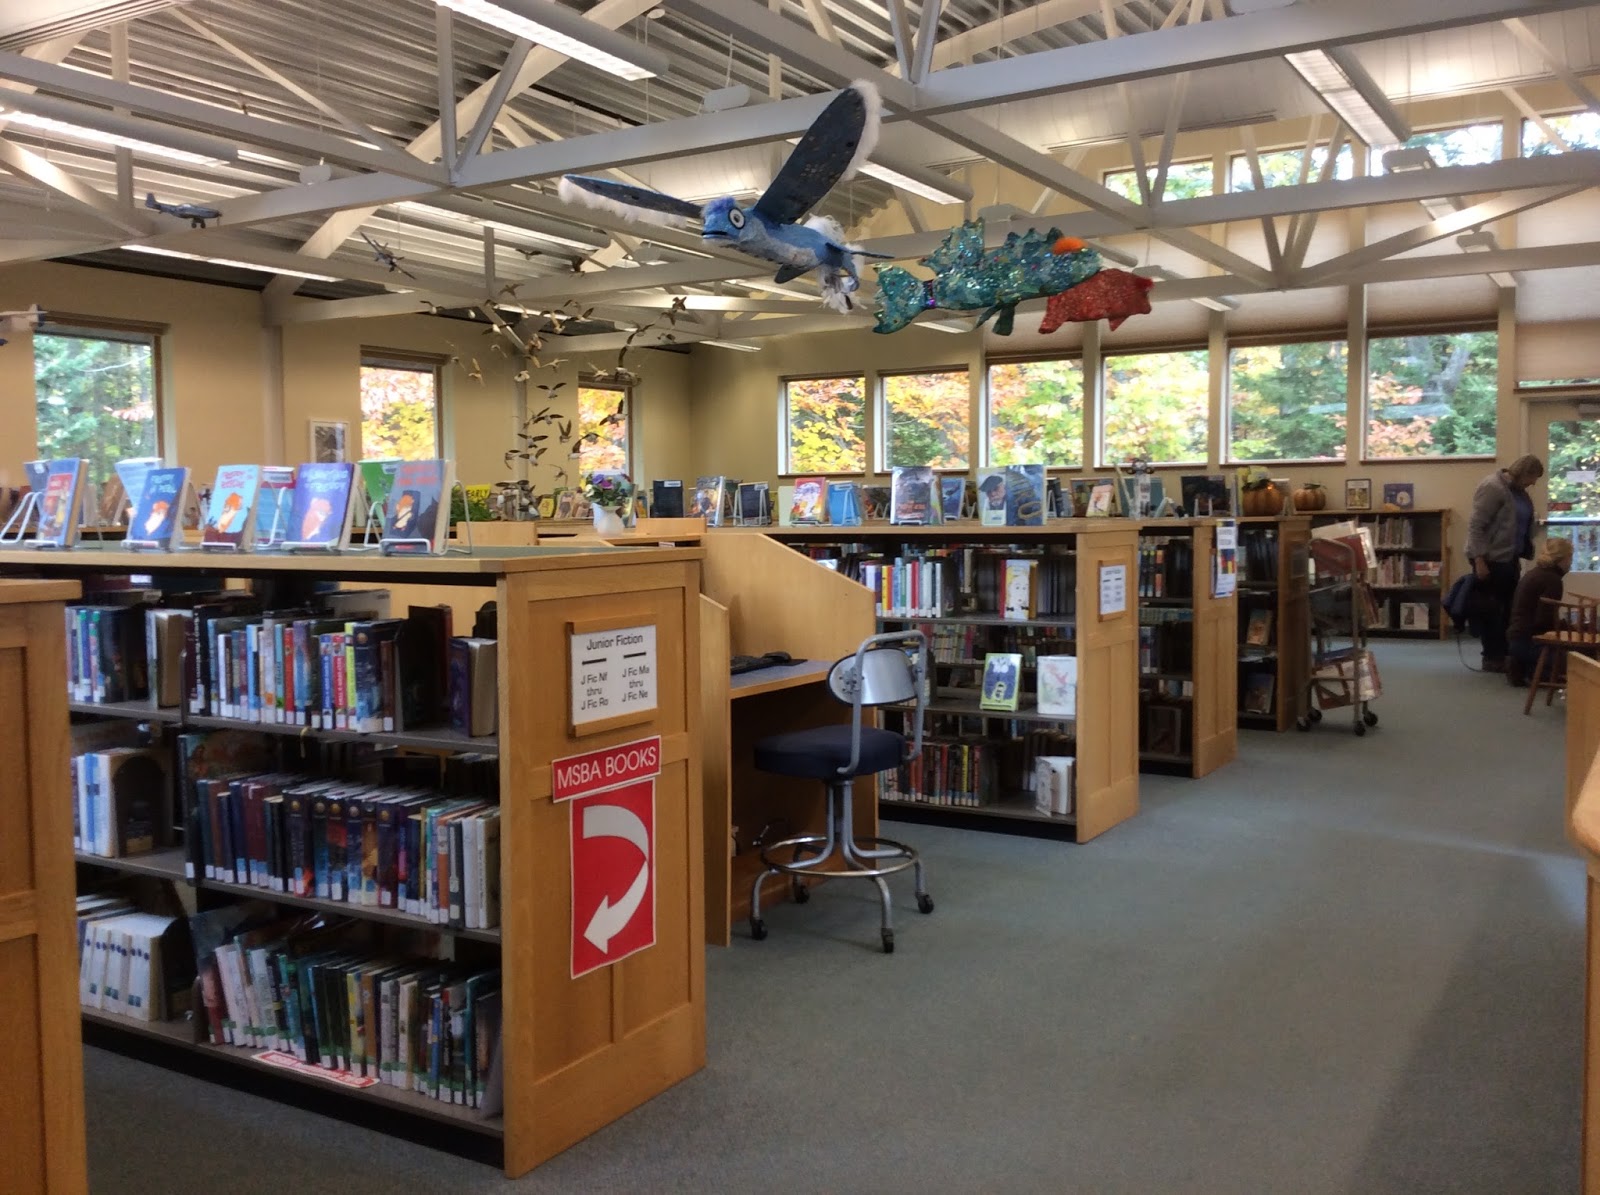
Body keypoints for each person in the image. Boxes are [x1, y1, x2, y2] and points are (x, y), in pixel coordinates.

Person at [1465, 454, 1544, 672]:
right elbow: (1476, 526)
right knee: (1492, 610)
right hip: (1490, 559)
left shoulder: (1519, 492)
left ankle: (1505, 655)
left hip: (1509, 557)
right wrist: (1479, 559)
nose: (1534, 483)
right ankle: (1491, 657)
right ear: (1522, 472)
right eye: (1533, 477)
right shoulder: (1493, 487)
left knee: (1509, 609)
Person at [1506, 536, 1573, 687]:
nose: (1571, 562)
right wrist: (1570, 628)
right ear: (1562, 559)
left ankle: (1522, 664)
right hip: (1530, 641)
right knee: (1577, 660)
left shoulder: (1533, 573)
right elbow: (1544, 621)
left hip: (1516, 637)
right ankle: (1529, 665)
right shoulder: (1553, 581)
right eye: (1570, 557)